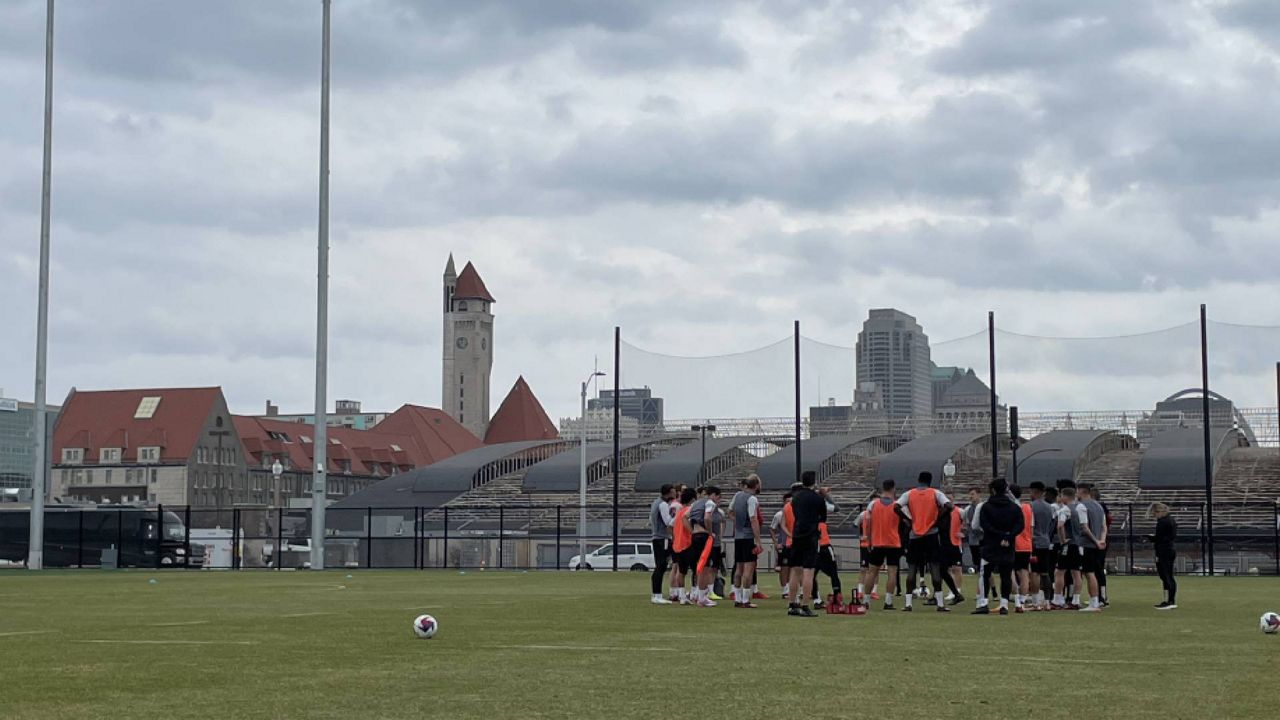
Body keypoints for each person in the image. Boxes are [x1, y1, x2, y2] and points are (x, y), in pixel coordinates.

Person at [895, 471, 953, 612]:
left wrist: (908, 520)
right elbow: (949, 506)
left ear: (918, 480)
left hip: (915, 534)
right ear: (930, 481)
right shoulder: (935, 493)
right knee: (934, 567)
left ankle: (908, 604)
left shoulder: (910, 494)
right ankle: (939, 604)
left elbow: (896, 507)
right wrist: (937, 519)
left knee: (912, 568)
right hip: (931, 534)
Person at [974, 477, 1024, 615]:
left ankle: (983, 602)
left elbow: (984, 525)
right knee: (1006, 575)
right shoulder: (1014, 507)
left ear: (993, 490)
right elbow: (1020, 525)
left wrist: (998, 535)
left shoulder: (986, 507)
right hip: (1007, 545)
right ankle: (1004, 604)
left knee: (985, 574)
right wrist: (1008, 536)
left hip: (990, 543)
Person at [787, 471, 826, 617]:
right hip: (811, 536)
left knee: (795, 571)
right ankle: (805, 605)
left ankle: (791, 604)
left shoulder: (795, 498)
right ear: (814, 482)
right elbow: (823, 518)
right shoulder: (817, 499)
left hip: (797, 534)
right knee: (808, 572)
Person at [863, 479, 903, 609]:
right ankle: (888, 601)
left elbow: (868, 523)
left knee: (871, 572)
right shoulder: (897, 505)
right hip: (893, 543)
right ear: (893, 489)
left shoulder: (873, 504)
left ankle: (866, 600)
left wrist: (868, 540)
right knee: (892, 572)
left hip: (877, 542)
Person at [682, 486, 722, 608]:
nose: (718, 499)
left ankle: (699, 595)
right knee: (705, 566)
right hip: (703, 536)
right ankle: (702, 597)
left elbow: (684, 517)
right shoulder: (709, 503)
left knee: (699, 566)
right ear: (713, 495)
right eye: (718, 496)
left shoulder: (695, 504)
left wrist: (691, 530)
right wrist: (709, 532)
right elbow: (707, 517)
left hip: (695, 535)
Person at [729, 475, 764, 609]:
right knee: (749, 569)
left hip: (738, 537)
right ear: (756, 485)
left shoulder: (737, 495)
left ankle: (737, 598)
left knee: (739, 568)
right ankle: (745, 600)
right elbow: (753, 518)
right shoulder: (752, 499)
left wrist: (737, 523)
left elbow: (730, 511)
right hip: (748, 537)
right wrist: (758, 539)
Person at [1076, 483, 1107, 612]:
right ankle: (1096, 600)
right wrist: (1101, 540)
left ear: (1081, 492)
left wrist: (1095, 541)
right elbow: (1104, 527)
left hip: (1086, 544)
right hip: (1097, 545)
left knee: (1089, 573)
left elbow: (1085, 527)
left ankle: (1093, 602)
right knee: (1092, 572)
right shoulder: (1099, 506)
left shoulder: (1081, 506)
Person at [1052, 483, 1083, 610]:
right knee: (1076, 573)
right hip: (1077, 544)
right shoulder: (1077, 510)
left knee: (1059, 571)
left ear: (1064, 496)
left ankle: (1057, 599)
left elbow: (1060, 525)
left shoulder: (1065, 509)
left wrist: (1062, 539)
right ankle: (1075, 600)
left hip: (1068, 544)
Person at [1027, 481, 1056, 611]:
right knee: (1046, 572)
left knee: (1035, 572)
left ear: (1035, 491)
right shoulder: (1050, 507)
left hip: (1035, 541)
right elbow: (1052, 524)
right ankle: (1048, 601)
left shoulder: (1031, 506)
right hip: (1046, 540)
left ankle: (1035, 601)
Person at [649, 484, 677, 604]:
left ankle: (657, 594)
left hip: (657, 537)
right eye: (674, 492)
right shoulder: (663, 504)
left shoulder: (656, 502)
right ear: (669, 493)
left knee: (660, 565)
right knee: (661, 565)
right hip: (662, 537)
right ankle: (657, 594)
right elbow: (668, 521)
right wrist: (678, 516)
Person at [670, 486, 697, 605]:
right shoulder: (690, 510)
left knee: (681, 571)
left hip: (678, 544)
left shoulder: (679, 511)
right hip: (688, 543)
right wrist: (693, 532)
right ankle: (695, 593)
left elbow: (670, 525)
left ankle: (681, 596)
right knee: (696, 570)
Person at [1149, 502, 1178, 609]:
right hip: (1170, 549)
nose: (1154, 516)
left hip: (1163, 550)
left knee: (1165, 576)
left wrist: (1151, 538)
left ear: (1159, 512)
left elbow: (1159, 538)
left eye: (1154, 513)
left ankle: (1169, 600)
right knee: (1168, 575)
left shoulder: (1162, 522)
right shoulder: (1171, 520)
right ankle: (1169, 599)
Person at [1011, 484, 1034, 613]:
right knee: (1024, 572)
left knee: (1011, 572)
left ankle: (1015, 597)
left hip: (1015, 543)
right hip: (1026, 543)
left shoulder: (1013, 507)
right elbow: (1031, 527)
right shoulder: (1028, 508)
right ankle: (1023, 598)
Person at [940, 502, 966, 606]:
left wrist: (964, 533)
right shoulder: (942, 512)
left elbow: (967, 523)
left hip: (955, 543)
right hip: (945, 544)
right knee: (946, 569)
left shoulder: (960, 511)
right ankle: (953, 590)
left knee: (957, 568)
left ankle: (957, 590)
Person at [770, 493, 793, 599]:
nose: (789, 503)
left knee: (797, 567)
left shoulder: (798, 512)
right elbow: (772, 529)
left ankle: (799, 589)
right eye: (787, 501)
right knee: (784, 567)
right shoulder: (779, 515)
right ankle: (785, 590)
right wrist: (776, 543)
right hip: (784, 545)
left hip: (795, 544)